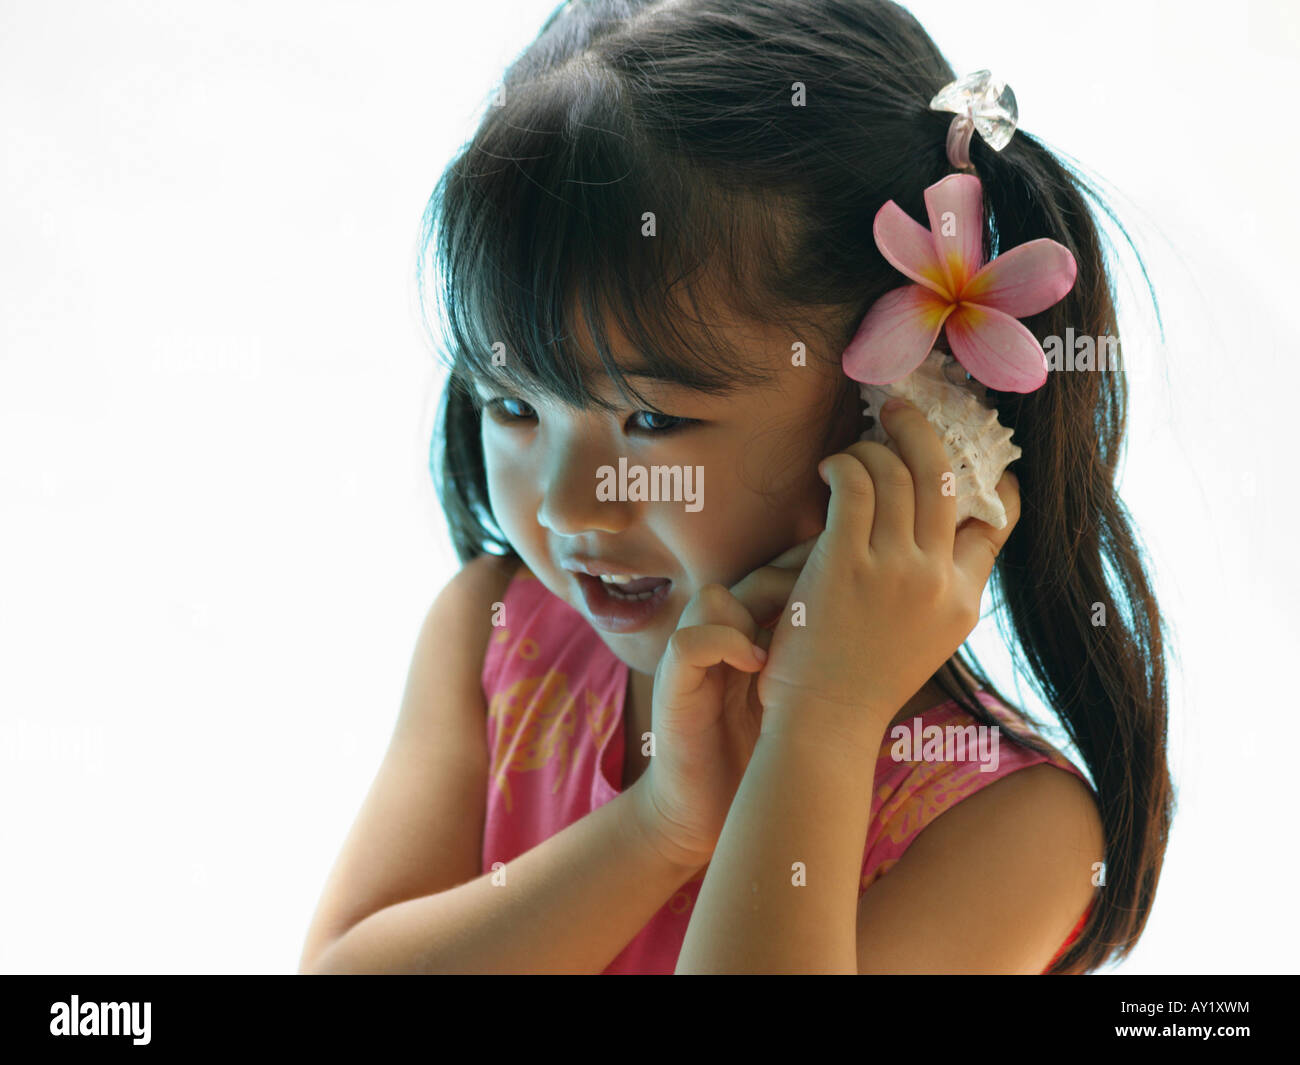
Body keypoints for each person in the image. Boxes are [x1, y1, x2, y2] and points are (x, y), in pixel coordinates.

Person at [299, 0, 1173, 975]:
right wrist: (659, 826)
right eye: (510, 406)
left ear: (901, 403)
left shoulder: (1006, 829)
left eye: (653, 421)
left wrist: (822, 722)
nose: (566, 507)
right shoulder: (494, 638)